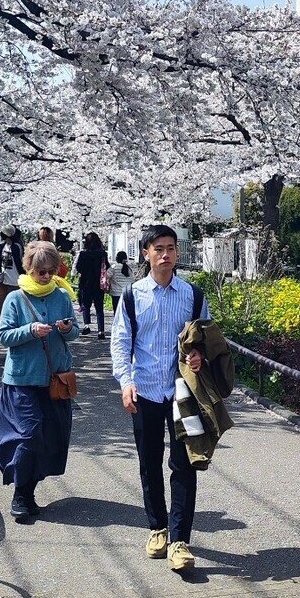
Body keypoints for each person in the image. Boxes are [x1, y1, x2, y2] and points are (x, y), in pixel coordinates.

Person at [111, 223, 211, 575]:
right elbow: (121, 342)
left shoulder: (193, 295)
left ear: (177, 252)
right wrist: (125, 382)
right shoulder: (133, 295)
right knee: (149, 461)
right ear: (146, 254)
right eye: (158, 249)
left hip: (183, 392)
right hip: (146, 390)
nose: (165, 255)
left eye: (170, 248)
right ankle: (157, 528)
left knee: (184, 464)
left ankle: (180, 540)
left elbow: (205, 337)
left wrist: (199, 355)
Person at [0, 239, 76, 523]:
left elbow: (74, 332)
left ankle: (29, 493)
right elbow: (3, 336)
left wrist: (66, 329)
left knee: (49, 438)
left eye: (51, 271)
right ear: (29, 268)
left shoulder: (61, 296)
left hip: (55, 380)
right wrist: (30, 330)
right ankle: (19, 493)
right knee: (28, 435)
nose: (46, 276)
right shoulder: (16, 299)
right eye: (41, 271)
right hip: (22, 380)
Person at [74, 231, 108, 338]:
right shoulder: (102, 254)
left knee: (86, 305)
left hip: (86, 283)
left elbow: (78, 267)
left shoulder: (83, 254)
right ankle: (101, 331)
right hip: (98, 284)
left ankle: (86, 326)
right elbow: (106, 266)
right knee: (99, 308)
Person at [0, 227, 24, 308]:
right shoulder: (3, 246)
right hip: (3, 280)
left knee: (13, 304)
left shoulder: (16, 246)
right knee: (0, 303)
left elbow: (19, 262)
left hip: (14, 280)